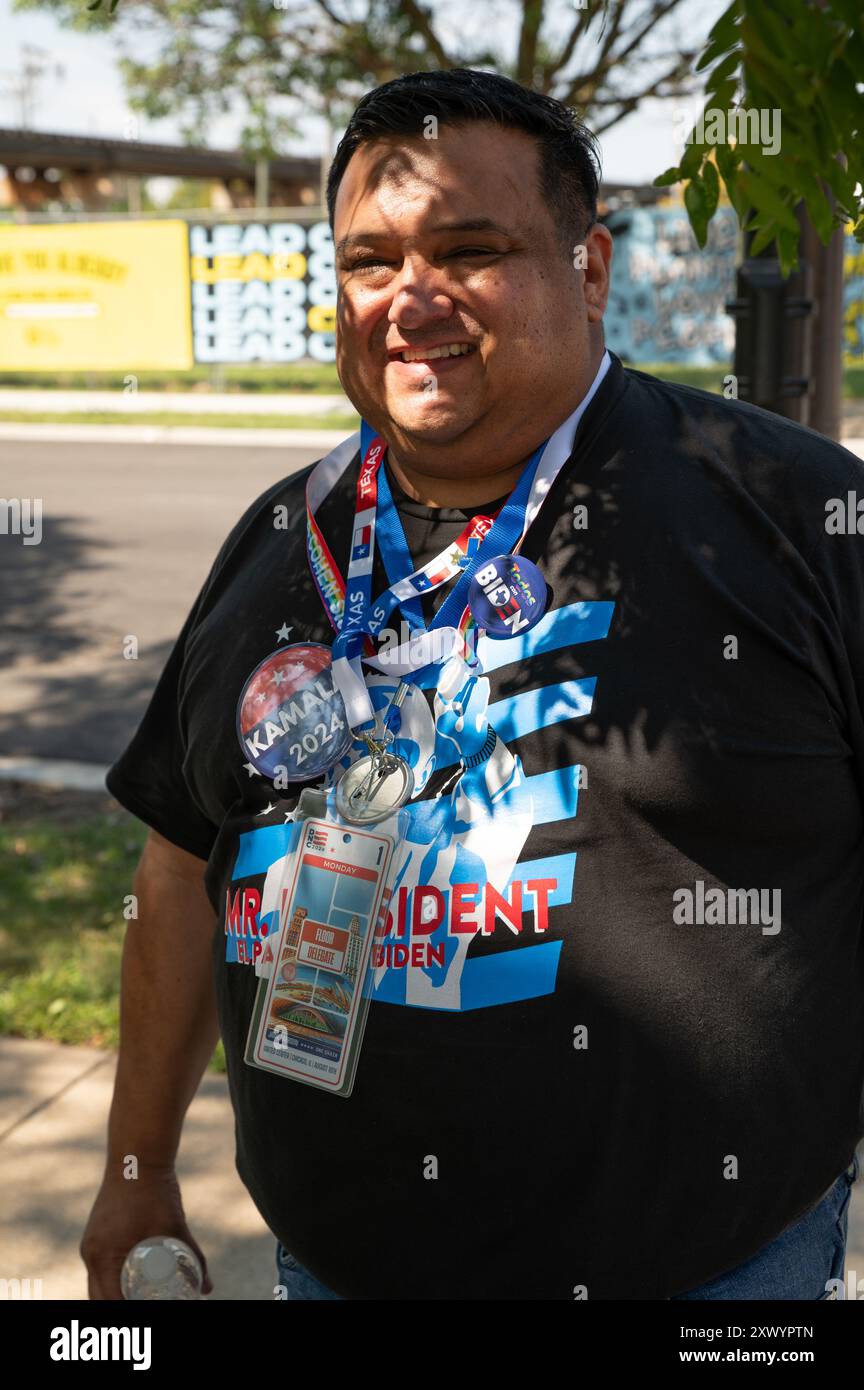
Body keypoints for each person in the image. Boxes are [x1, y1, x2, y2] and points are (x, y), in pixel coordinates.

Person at [83, 68, 863, 1302]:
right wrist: (136, 1167)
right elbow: (182, 861)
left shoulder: (791, 515)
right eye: (369, 260)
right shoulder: (281, 540)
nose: (410, 299)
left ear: (590, 268)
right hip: (338, 1266)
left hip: (711, 1276)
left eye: (471, 247)